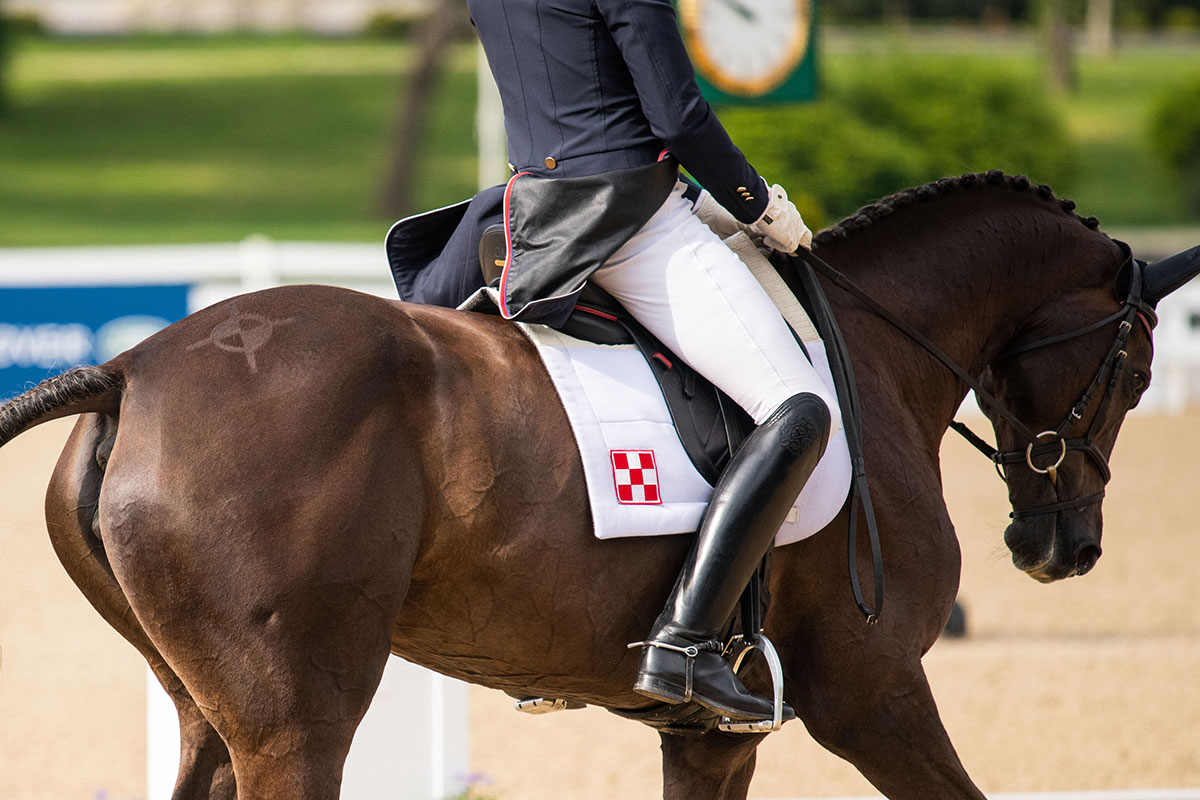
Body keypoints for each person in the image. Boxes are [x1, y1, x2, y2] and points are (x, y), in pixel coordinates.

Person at [467, 0, 843, 722]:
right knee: (798, 409)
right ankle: (687, 643)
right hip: (630, 223)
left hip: (533, 221)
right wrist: (755, 202)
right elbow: (676, 117)